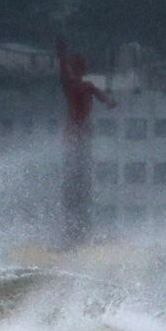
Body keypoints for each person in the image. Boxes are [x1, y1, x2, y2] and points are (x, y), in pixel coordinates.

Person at [56, 39, 116, 247]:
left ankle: (77, 232)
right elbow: (103, 97)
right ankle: (75, 232)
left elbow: (101, 96)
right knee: (78, 182)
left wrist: (62, 55)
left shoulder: (76, 85)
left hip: (77, 135)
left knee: (77, 182)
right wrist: (109, 102)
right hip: (79, 135)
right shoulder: (80, 86)